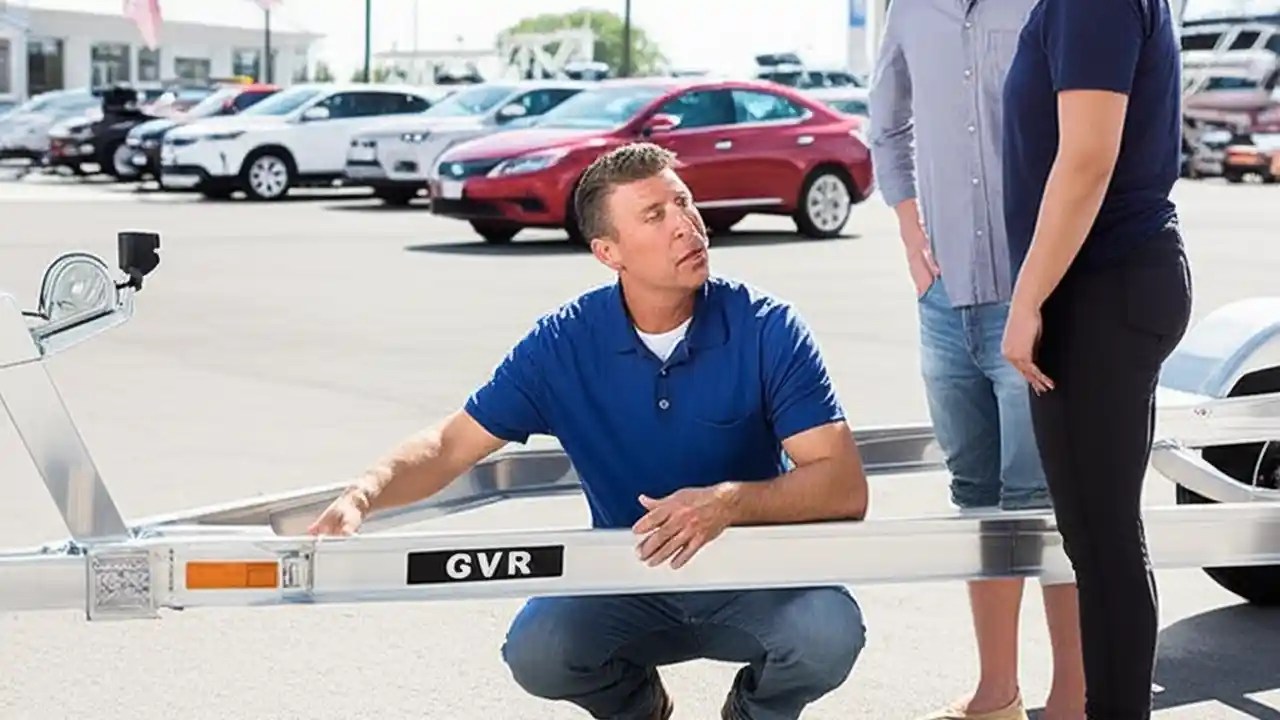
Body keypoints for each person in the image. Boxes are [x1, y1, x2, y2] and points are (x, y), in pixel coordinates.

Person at [307, 142, 871, 720]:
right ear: (608, 252)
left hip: (756, 576)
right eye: (655, 215)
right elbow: (452, 443)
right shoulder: (563, 344)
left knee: (828, 632)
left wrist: (726, 503)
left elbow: (844, 488)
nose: (686, 225)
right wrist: (364, 493)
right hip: (627, 578)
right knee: (538, 650)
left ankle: (752, 715)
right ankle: (641, 709)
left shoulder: (766, 327)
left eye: (684, 202)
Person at [866, 2, 1086, 719]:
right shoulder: (908, 11)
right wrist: (909, 231)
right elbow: (887, 125)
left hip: (1035, 299)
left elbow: (1083, 141)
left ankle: (1074, 699)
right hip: (944, 297)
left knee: (1047, 502)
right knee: (976, 499)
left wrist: (1048, 286)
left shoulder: (1046, 6)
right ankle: (998, 693)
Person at [1000, 0, 1192, 717]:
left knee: (1104, 545)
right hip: (1111, 283)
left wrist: (1027, 301)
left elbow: (1086, 157)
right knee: (1106, 539)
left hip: (1099, 287)